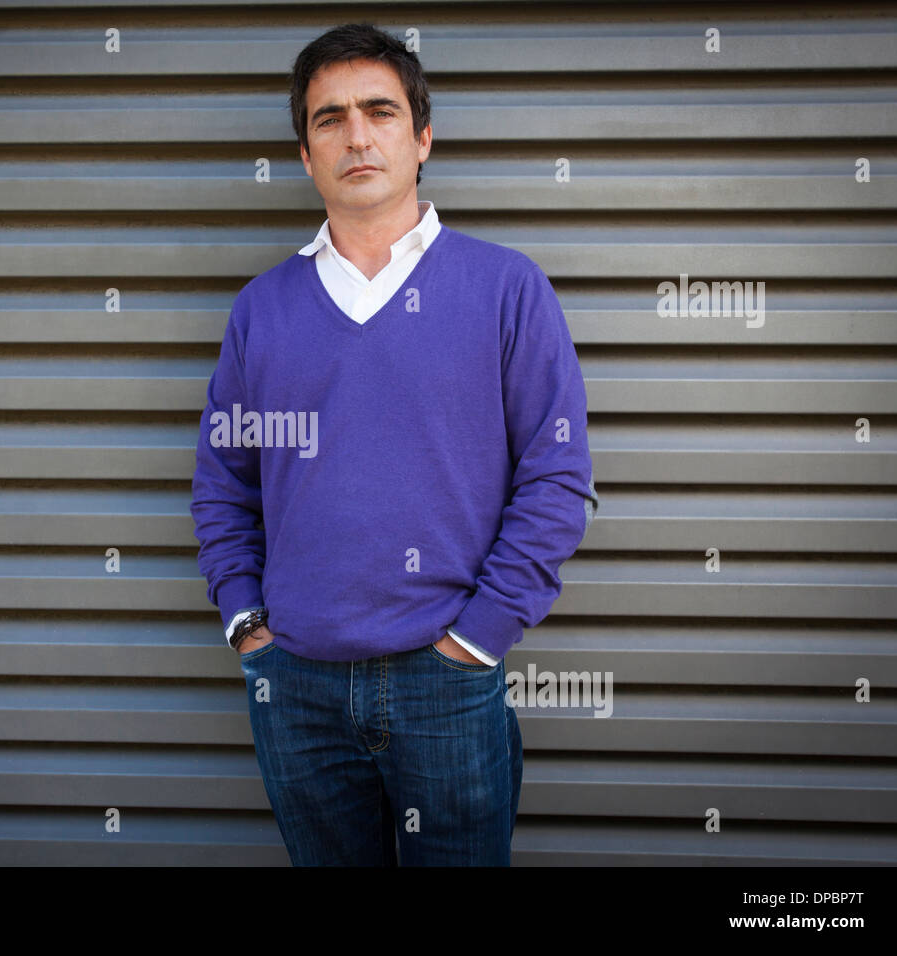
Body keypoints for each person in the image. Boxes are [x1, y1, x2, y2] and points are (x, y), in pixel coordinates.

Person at [190, 21, 598, 866]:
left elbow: (557, 479)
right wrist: (246, 624)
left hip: (446, 680)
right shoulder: (261, 310)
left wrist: (476, 639)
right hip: (295, 682)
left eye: (379, 110)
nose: (356, 134)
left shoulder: (505, 288)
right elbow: (224, 482)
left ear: (422, 137)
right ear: (305, 155)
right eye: (329, 118)